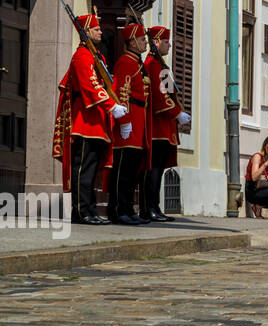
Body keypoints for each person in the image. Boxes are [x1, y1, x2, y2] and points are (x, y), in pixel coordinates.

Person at [52, 12, 129, 225]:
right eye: (96, 29)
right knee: (83, 170)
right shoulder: (82, 56)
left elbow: (105, 84)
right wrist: (111, 105)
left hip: (96, 122)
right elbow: (90, 85)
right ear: (86, 32)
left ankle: (90, 210)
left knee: (91, 170)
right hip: (84, 122)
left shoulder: (97, 56)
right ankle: (81, 211)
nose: (100, 32)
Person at [143, 26, 189, 221]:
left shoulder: (162, 66)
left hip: (165, 125)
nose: (169, 45)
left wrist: (178, 111)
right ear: (156, 43)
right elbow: (161, 95)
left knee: (159, 169)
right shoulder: (153, 65)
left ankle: (155, 207)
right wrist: (177, 113)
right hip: (157, 126)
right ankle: (149, 208)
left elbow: (170, 93)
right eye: (166, 42)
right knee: (153, 169)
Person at [109, 22, 153, 225]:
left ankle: (128, 208)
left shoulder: (137, 63)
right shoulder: (126, 63)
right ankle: (118, 209)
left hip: (139, 120)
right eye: (143, 39)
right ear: (133, 42)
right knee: (123, 171)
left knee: (132, 170)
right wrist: (124, 121)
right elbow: (121, 93)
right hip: (130, 122)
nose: (145, 42)